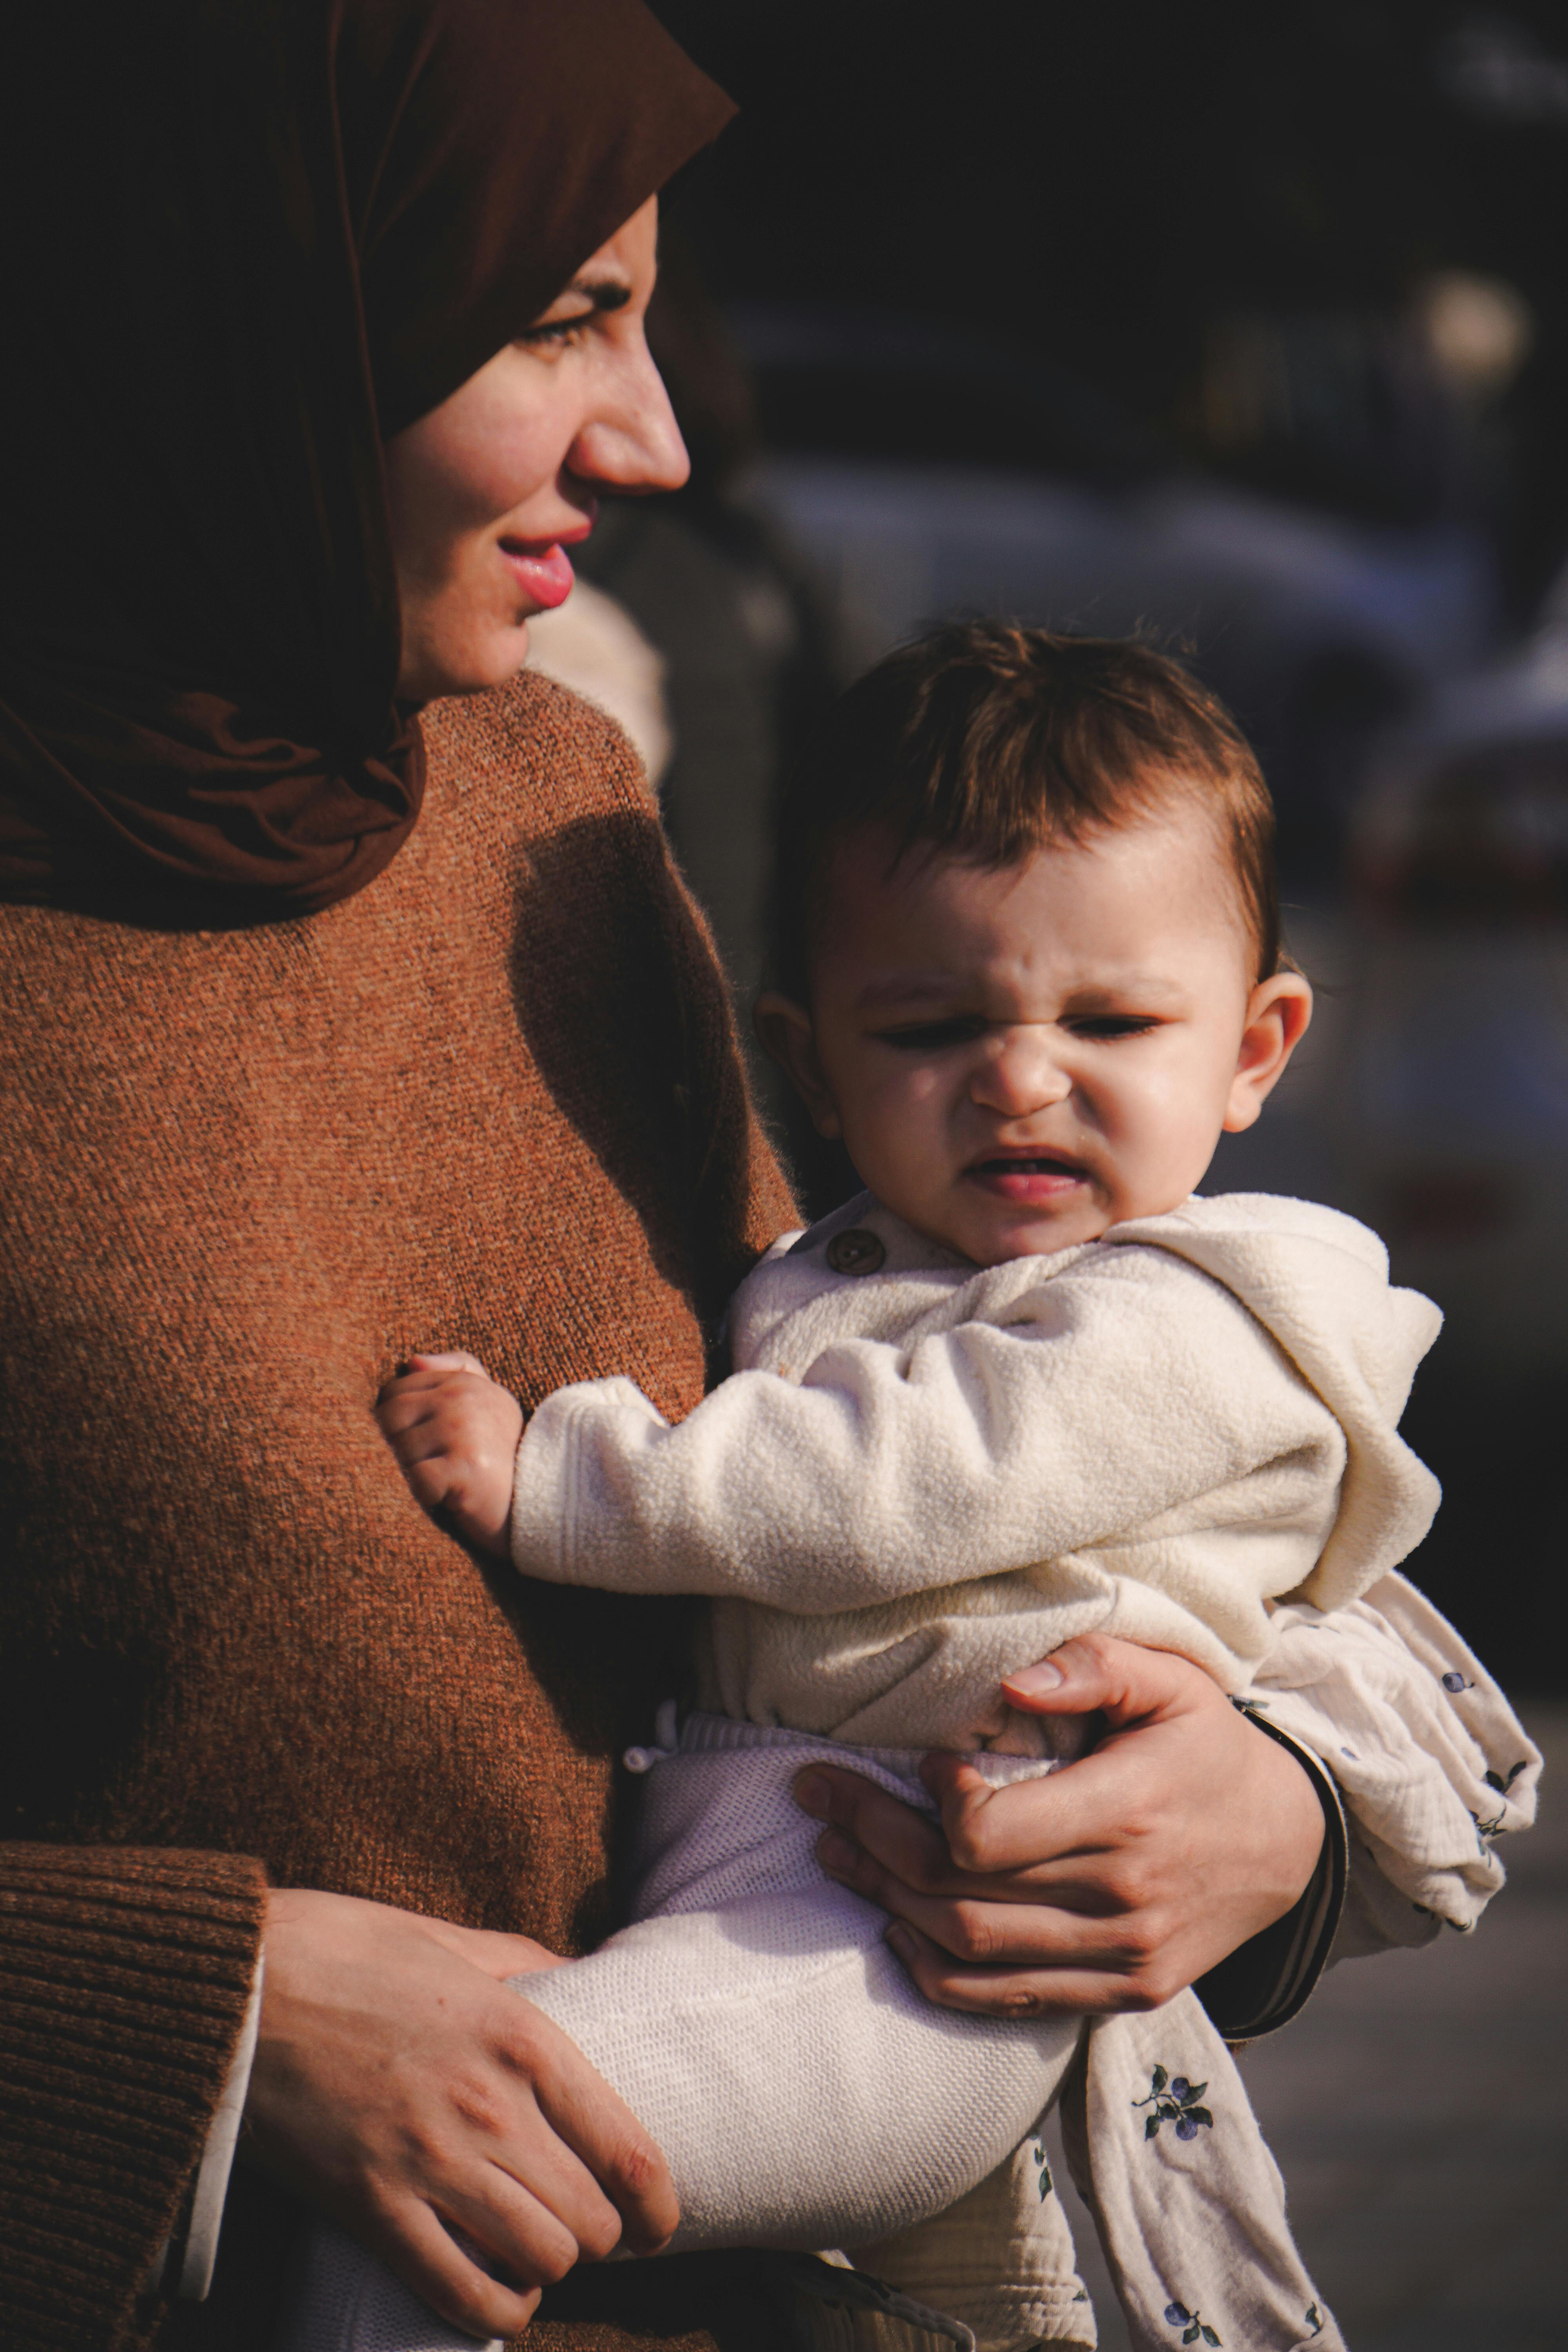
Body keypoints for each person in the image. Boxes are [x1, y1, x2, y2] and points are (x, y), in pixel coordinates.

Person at [0, 8, 1529, 2352]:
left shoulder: (539, 814)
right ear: (247, 302)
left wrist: (1276, 1798)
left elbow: (927, 1426)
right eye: (557, 318)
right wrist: (219, 2009)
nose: (660, 437)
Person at [323, 628, 1539, 2352]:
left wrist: (566, 1476)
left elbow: (902, 1480)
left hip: (917, 1936)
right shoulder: (863, 1265)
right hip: (776, 1896)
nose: (1021, 1077)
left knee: (457, 2183)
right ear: (810, 1064)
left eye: (1113, 1021)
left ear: (1258, 1046)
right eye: (932, 1024)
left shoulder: (1201, 1310)